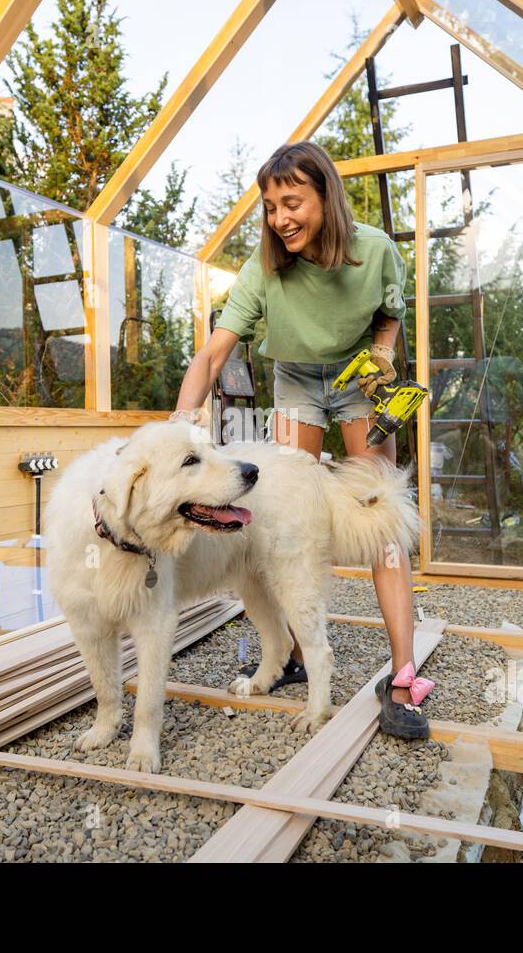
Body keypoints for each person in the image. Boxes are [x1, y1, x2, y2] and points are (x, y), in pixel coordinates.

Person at [172, 140, 432, 739]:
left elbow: (389, 314)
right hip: (295, 382)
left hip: (356, 378)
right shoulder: (263, 271)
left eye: (292, 202)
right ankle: (290, 654)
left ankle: (402, 677)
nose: (280, 218)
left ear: (326, 196)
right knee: (282, 517)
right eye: (270, 206)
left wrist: (383, 354)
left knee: (381, 515)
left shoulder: (375, 251)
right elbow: (214, 352)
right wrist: (182, 423)